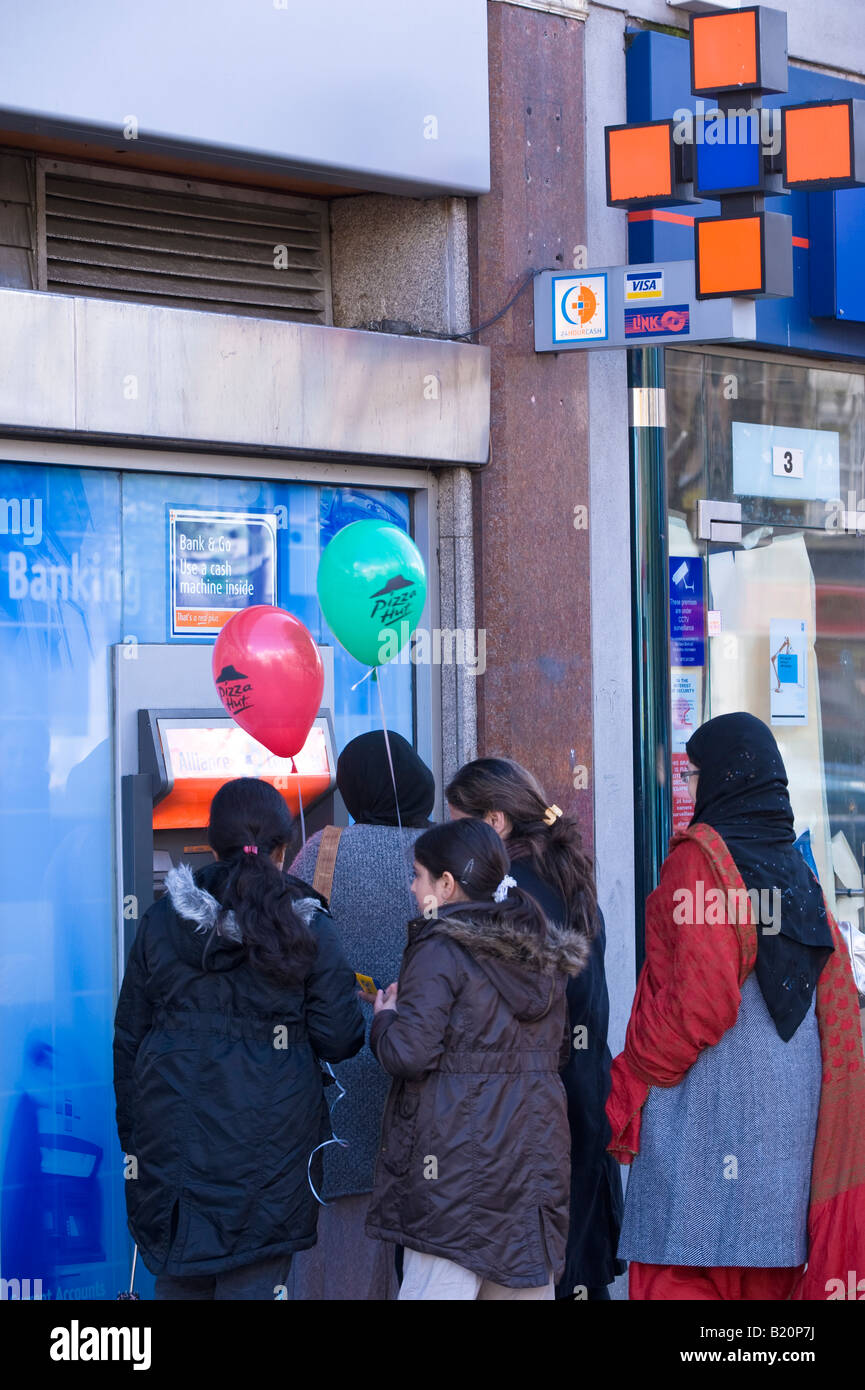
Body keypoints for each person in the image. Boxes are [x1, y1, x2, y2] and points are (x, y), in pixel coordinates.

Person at [607, 712, 865, 1301]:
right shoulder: (799, 868)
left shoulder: (699, 860)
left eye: (693, 775)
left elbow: (700, 1004)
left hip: (708, 1111)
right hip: (786, 1121)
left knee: (681, 1276)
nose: (688, 789)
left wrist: (630, 1076)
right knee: (761, 1294)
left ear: (723, 777)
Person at [113, 777, 365, 1300]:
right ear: (283, 847)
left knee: (179, 1279)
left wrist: (139, 1144)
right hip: (270, 1162)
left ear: (211, 841)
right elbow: (340, 1038)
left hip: (173, 1149)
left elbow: (129, 1039)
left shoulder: (162, 920)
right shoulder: (308, 925)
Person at [366, 817, 588, 1300]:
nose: (412, 885)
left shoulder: (439, 945)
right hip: (533, 1156)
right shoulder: (541, 949)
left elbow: (408, 1053)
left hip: (452, 1165)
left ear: (446, 885)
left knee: (437, 1285)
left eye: (418, 875)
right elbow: (561, 1050)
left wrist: (385, 1018)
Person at [445, 757, 625, 1300]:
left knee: (534, 1270)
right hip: (583, 1092)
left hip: (535, 1108)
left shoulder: (506, 896)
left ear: (494, 821)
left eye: (457, 823)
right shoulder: (565, 874)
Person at [285, 728, 435, 1300]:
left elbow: (287, 949)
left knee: (342, 1246)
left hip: (343, 1068)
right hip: (424, 1064)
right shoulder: (447, 855)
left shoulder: (323, 850)